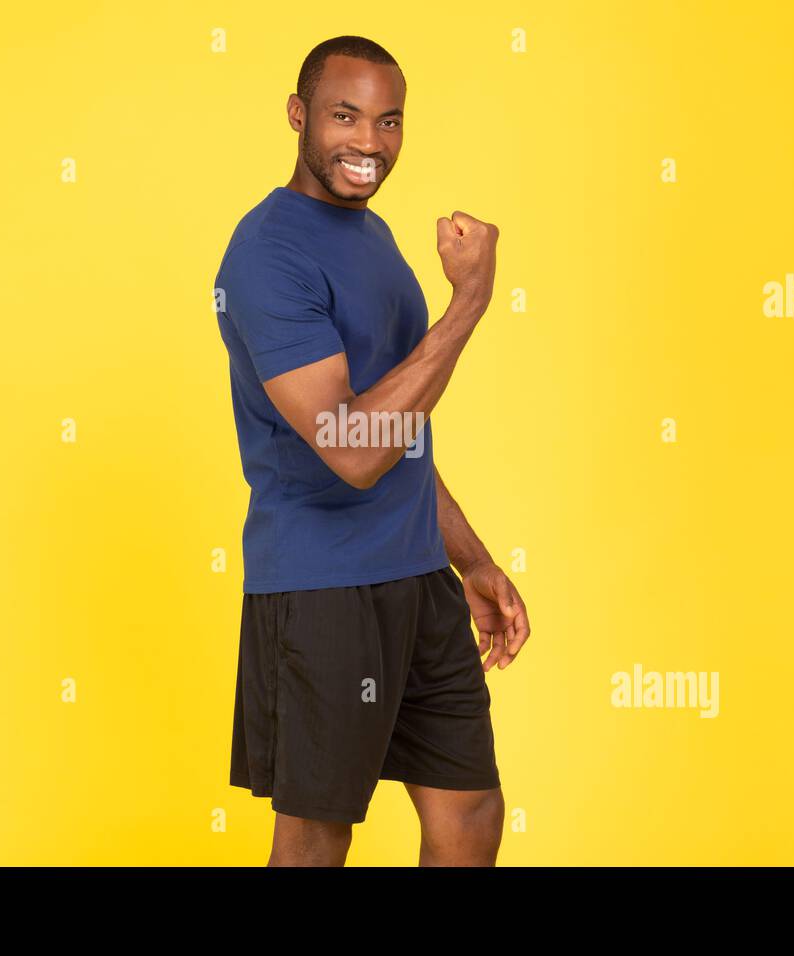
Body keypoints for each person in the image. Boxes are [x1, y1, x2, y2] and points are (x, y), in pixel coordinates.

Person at [213, 35, 530, 866]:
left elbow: (403, 435)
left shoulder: (375, 237)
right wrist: (468, 304)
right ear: (298, 116)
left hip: (416, 579)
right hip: (322, 588)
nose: (369, 142)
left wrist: (472, 562)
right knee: (317, 839)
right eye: (345, 115)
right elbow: (354, 448)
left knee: (469, 815)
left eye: (388, 121)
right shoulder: (267, 253)